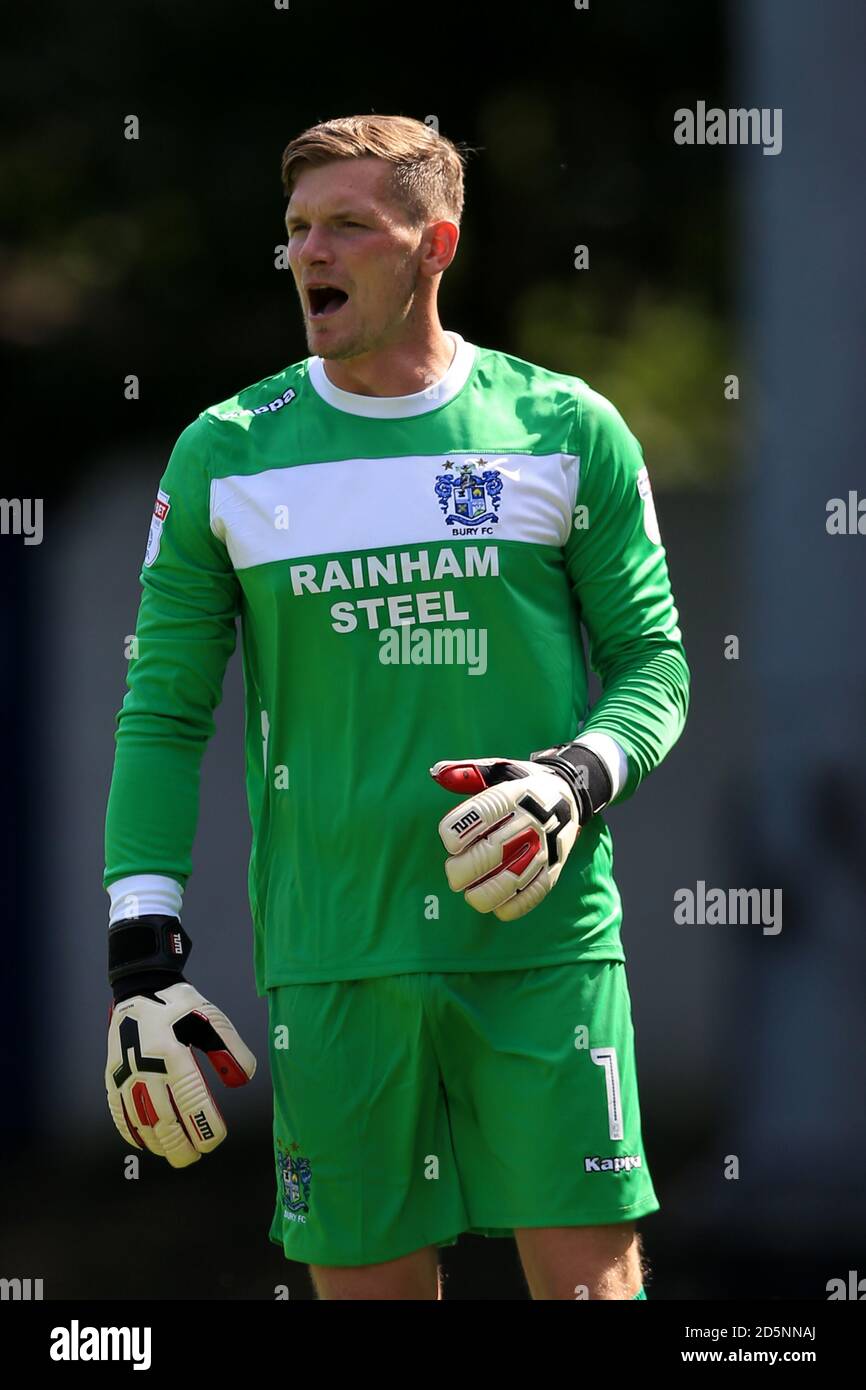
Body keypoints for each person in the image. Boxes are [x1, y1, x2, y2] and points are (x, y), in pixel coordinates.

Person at [103, 113, 690, 1301]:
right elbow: (162, 713)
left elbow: (654, 666)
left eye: (348, 226)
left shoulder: (564, 427)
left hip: (540, 947)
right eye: (296, 229)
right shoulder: (227, 452)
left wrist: (572, 776)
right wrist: (140, 956)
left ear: (436, 245)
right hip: (333, 959)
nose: (309, 253)